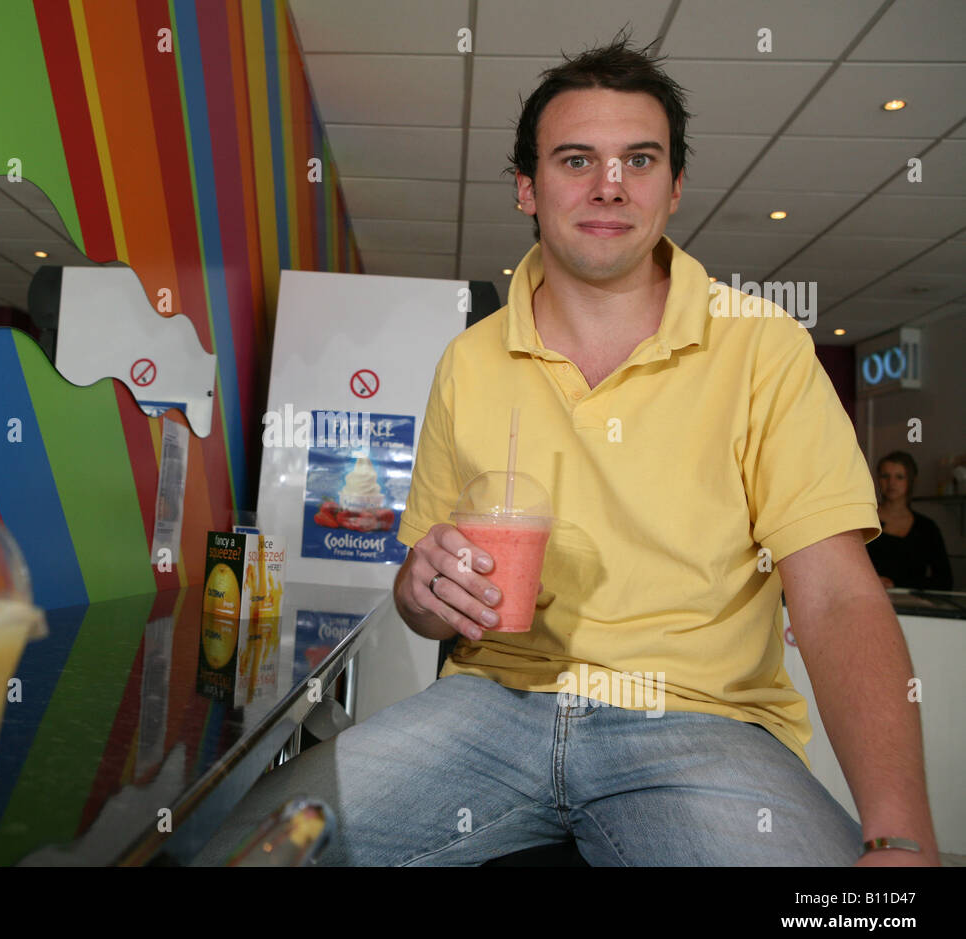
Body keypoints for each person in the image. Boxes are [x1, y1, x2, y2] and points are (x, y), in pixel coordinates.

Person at [193, 33, 939, 867]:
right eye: (577, 159)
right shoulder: (469, 360)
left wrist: (899, 833)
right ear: (527, 188)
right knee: (243, 852)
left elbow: (837, 597)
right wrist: (424, 586)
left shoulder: (763, 348)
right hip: (487, 711)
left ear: (675, 186)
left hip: (698, 724)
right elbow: (418, 595)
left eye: (640, 160)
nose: (610, 185)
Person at [867, 452, 953, 590]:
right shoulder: (865, 520)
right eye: (885, 476)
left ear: (911, 480)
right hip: (867, 599)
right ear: (878, 479)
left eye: (899, 477)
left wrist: (897, 584)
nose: (891, 483)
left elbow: (944, 580)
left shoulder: (927, 528)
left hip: (913, 607)